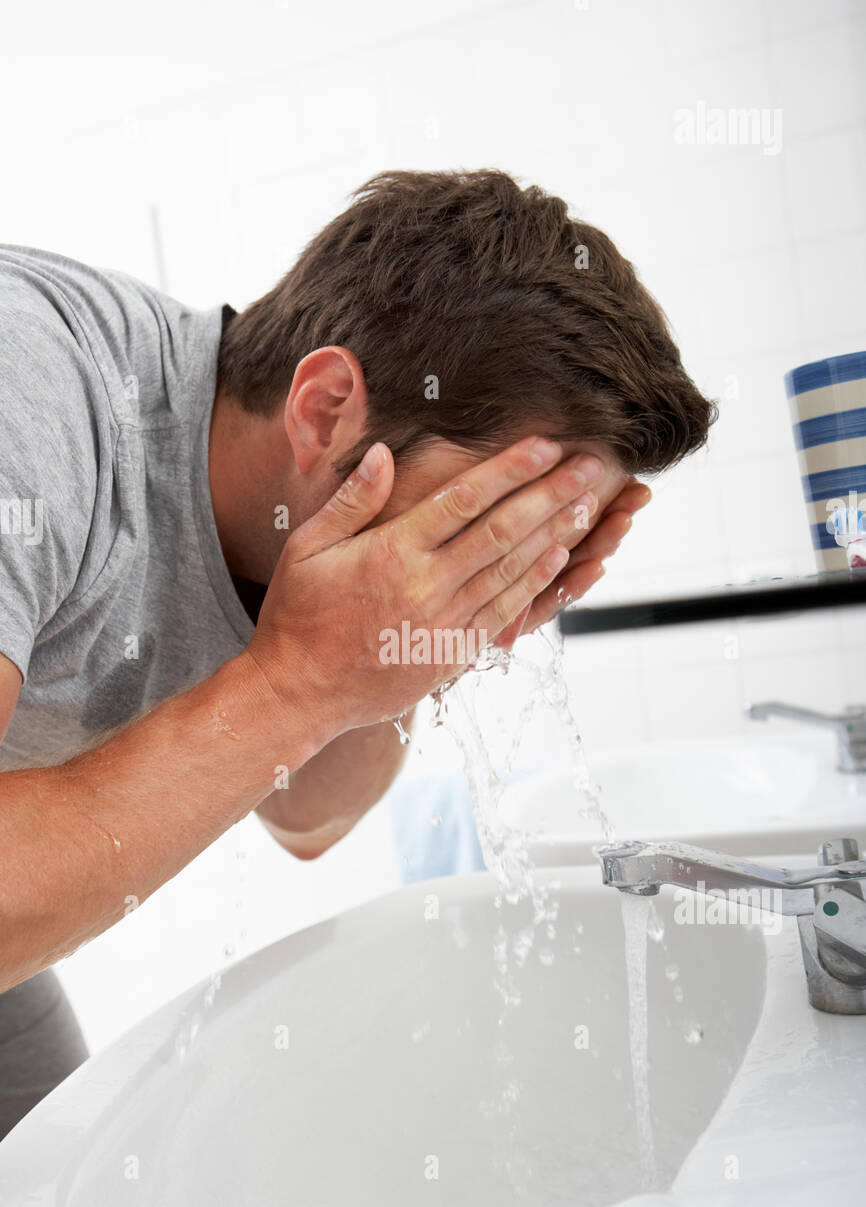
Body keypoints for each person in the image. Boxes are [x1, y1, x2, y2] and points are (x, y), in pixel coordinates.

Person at [0, 169, 715, 1137]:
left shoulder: (284, 524)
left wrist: (422, 645)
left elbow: (307, 814)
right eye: (491, 521)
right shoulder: (34, 394)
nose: (497, 564)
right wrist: (296, 679)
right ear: (327, 408)